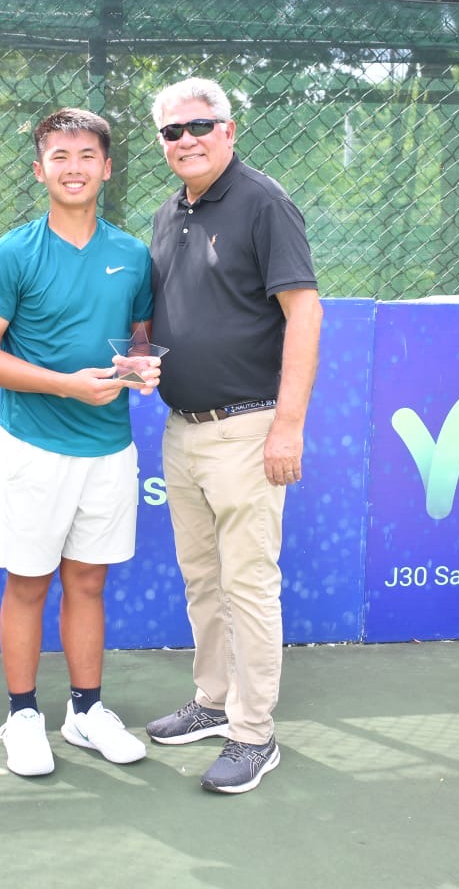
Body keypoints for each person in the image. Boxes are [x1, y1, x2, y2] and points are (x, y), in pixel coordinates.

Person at [0, 108, 159, 778]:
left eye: (86, 156)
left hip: (110, 449)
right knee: (28, 584)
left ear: (106, 168)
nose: (73, 167)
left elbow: (136, 340)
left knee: (89, 583)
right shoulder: (14, 252)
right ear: (40, 169)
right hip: (35, 447)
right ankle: (21, 715)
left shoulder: (132, 255)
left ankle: (85, 710)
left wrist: (141, 365)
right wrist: (65, 385)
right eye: (60, 156)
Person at [143, 77, 322, 794]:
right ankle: (214, 702)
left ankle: (255, 734)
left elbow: (304, 315)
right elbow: (168, 318)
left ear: (229, 129)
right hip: (182, 432)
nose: (185, 139)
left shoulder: (264, 202)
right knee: (202, 579)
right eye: (171, 131)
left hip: (250, 429)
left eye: (199, 125)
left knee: (248, 583)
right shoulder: (166, 214)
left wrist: (288, 425)